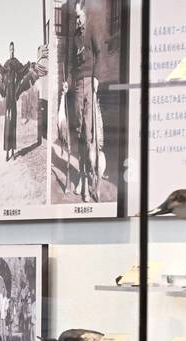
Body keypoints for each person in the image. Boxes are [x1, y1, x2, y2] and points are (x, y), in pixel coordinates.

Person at [66, 0, 107, 201]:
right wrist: (67, 83)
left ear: (85, 13)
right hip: (78, 86)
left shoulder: (92, 29)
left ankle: (91, 180)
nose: (77, 21)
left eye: (79, 16)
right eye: (76, 18)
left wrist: (97, 77)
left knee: (90, 135)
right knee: (79, 132)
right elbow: (72, 66)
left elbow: (100, 54)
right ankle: (82, 176)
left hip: (91, 84)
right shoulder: (74, 37)